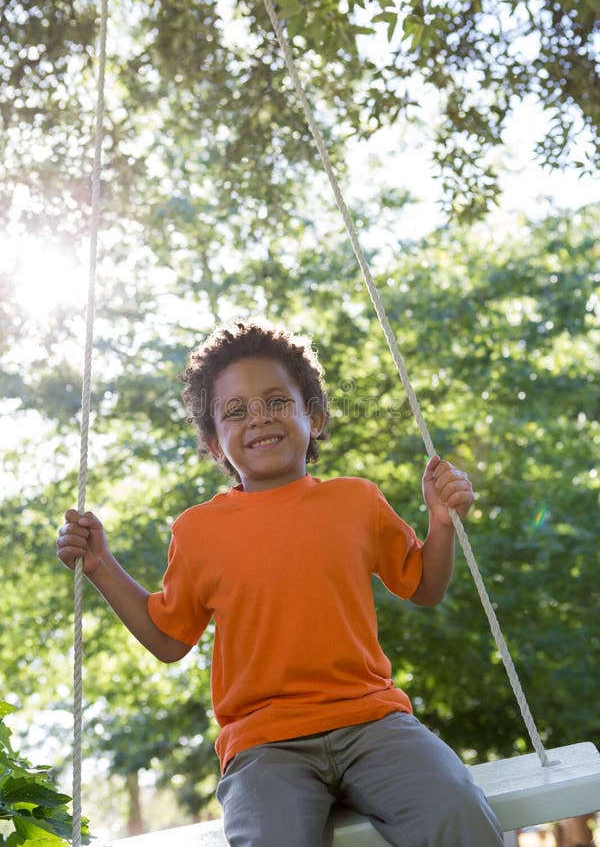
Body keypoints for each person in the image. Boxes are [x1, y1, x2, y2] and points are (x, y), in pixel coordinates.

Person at [57, 319, 504, 847]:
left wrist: (440, 524)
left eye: (275, 401)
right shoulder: (197, 530)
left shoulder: (356, 500)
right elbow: (169, 638)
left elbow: (424, 587)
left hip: (374, 723)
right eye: (236, 411)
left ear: (313, 417)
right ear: (213, 442)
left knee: (457, 811)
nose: (259, 419)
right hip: (265, 745)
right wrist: (102, 564)